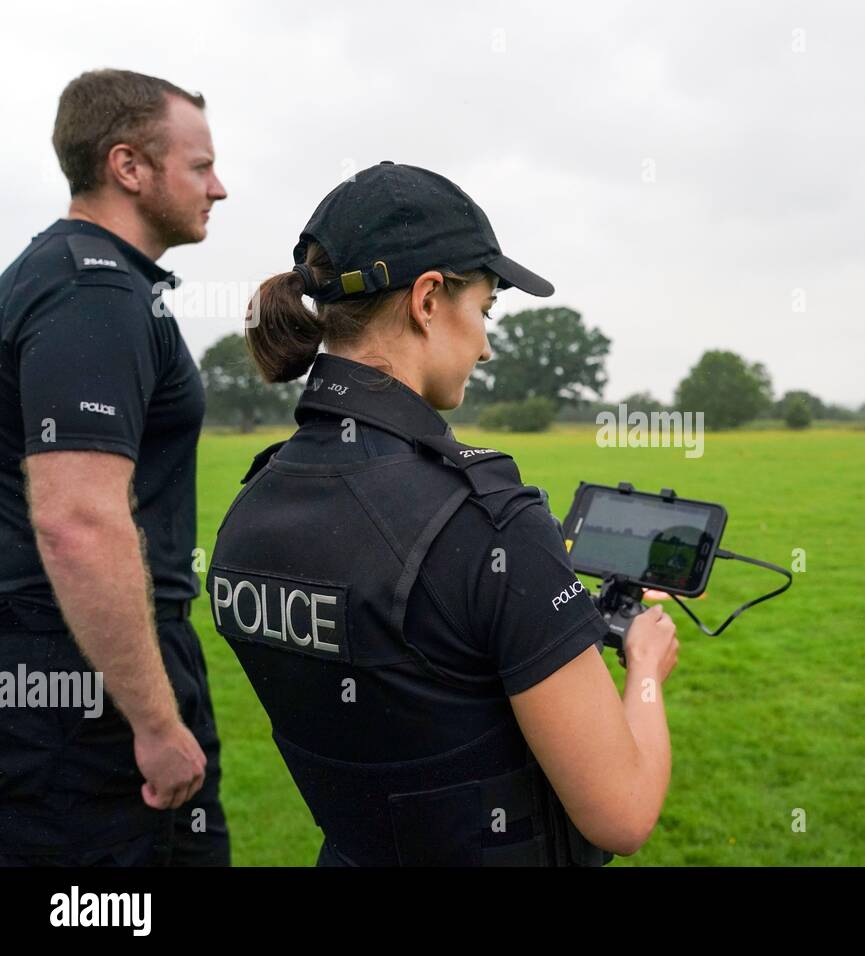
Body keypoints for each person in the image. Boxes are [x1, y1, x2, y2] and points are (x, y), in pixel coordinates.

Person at [208, 161, 678, 866]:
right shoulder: (490, 521)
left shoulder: (254, 503)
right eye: (484, 309)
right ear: (429, 299)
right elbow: (623, 813)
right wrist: (643, 665)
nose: (487, 343)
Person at [0, 69, 230, 865]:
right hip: (83, 689)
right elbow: (76, 521)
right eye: (199, 166)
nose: (220, 187)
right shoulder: (89, 292)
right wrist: (157, 725)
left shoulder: (86, 280)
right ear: (128, 167)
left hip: (81, 668)